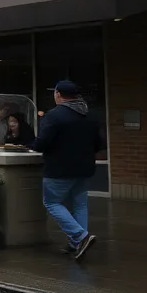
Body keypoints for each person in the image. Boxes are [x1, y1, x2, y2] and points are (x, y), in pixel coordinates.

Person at [33, 80, 104, 259]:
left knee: (52, 202)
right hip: (84, 168)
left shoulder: (54, 116)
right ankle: (76, 244)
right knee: (79, 204)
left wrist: (28, 145)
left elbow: (42, 143)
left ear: (58, 94)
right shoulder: (90, 114)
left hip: (59, 169)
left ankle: (81, 236)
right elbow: (99, 144)